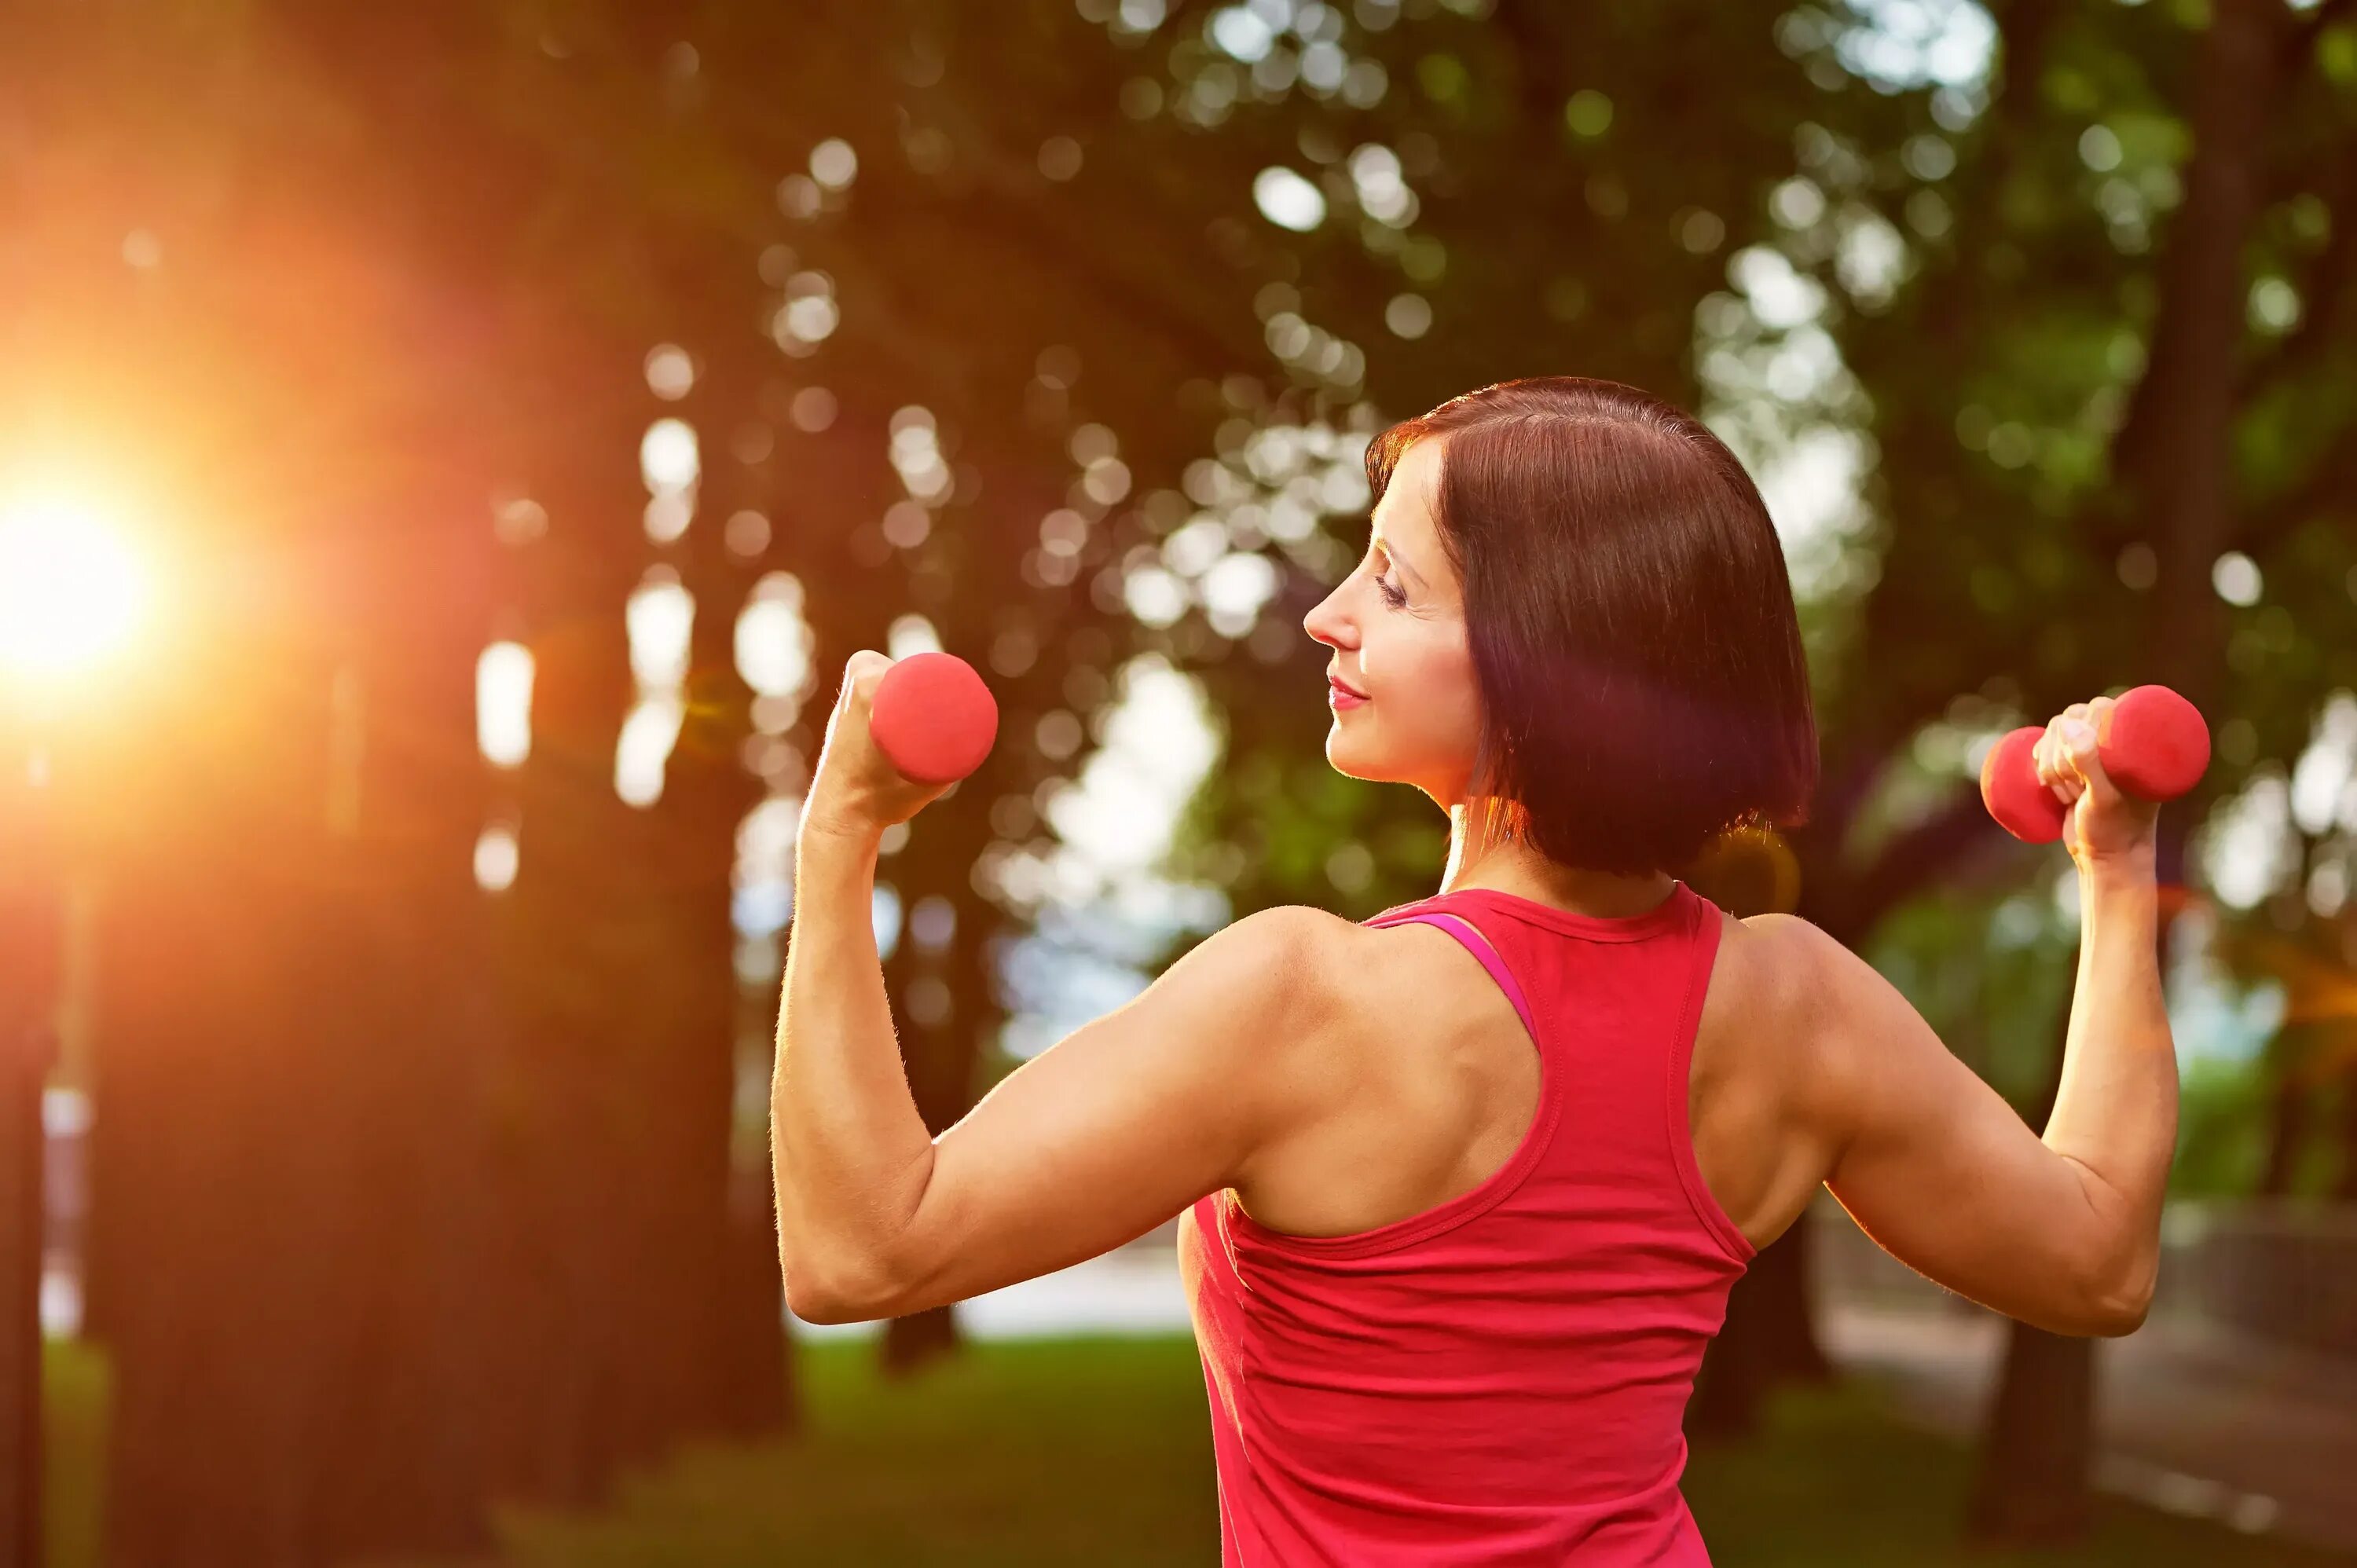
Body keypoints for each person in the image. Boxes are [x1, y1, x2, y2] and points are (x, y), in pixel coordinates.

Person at [775, 376, 2176, 1566]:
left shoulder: (1302, 1003)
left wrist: (837, 838)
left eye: (1393, 583)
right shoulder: (1797, 1006)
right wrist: (2115, 873)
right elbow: (2099, 1261)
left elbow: (861, 1248)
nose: (1331, 615)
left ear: (1542, 658)